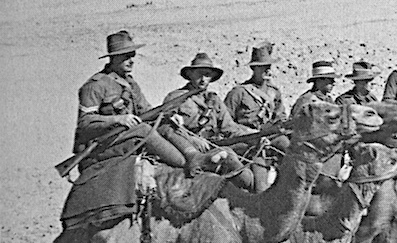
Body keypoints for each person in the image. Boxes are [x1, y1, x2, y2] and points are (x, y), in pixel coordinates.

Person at [73, 30, 205, 172]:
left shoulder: (130, 83)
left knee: (164, 125)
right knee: (144, 130)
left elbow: (146, 111)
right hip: (103, 142)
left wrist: (168, 115)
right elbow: (84, 122)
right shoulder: (95, 85)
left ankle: (194, 156)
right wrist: (119, 119)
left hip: (125, 135)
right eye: (126, 57)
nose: (131, 61)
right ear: (114, 58)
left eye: (132, 56)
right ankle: (183, 164)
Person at [164, 52, 250, 145]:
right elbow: (167, 128)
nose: (203, 79)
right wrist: (192, 140)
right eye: (199, 74)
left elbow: (230, 129)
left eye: (207, 75)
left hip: (213, 145)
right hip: (186, 146)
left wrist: (253, 138)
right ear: (190, 74)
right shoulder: (176, 98)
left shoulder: (214, 100)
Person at [225, 43, 287, 131]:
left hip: (269, 134)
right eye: (261, 66)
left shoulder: (274, 92)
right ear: (253, 68)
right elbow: (226, 122)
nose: (267, 69)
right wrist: (245, 130)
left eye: (268, 66)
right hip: (245, 136)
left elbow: (280, 117)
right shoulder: (239, 92)